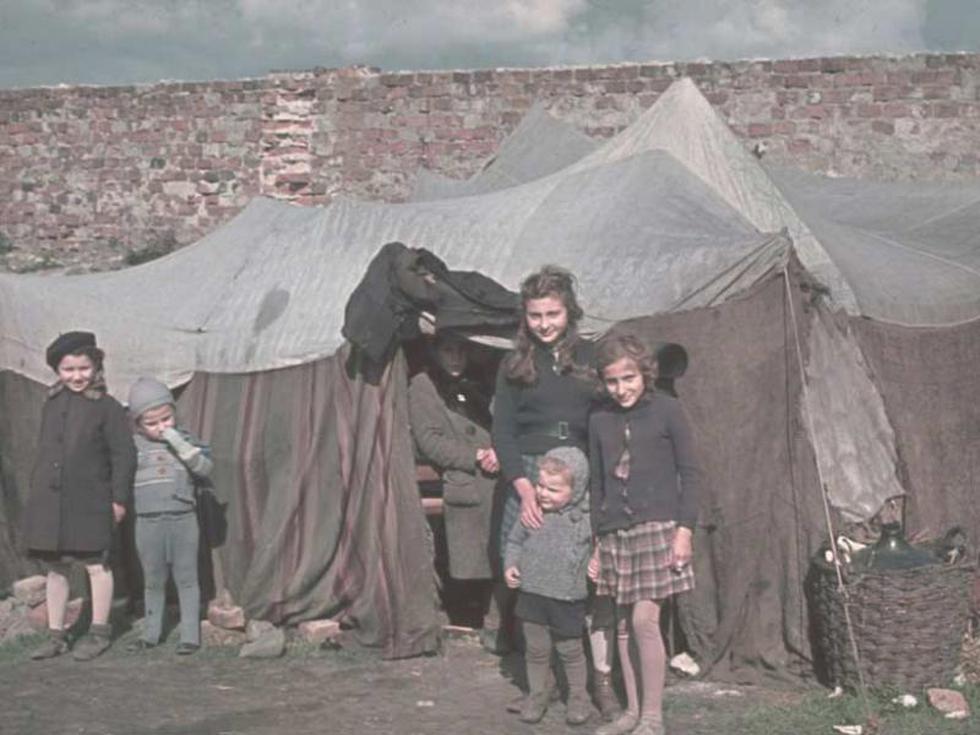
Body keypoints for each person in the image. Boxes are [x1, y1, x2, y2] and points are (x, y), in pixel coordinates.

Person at [491, 265, 618, 720]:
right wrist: (524, 489)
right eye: (535, 315)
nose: (544, 323)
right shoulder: (514, 365)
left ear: (570, 311)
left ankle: (590, 684)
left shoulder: (589, 357)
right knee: (527, 574)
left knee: (583, 573)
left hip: (579, 474)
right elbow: (502, 430)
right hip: (527, 473)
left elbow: (606, 420)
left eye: (553, 313)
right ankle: (537, 687)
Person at [588, 333, 700, 735]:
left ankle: (653, 717)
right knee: (620, 624)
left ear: (645, 373)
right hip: (616, 532)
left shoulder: (668, 410)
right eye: (613, 381)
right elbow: (598, 484)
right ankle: (632, 712)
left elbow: (689, 473)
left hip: (659, 527)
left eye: (629, 378)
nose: (622, 389)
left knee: (644, 621)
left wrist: (684, 530)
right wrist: (598, 539)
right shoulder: (599, 419)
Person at [24, 331, 137, 661]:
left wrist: (118, 500)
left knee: (95, 565)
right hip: (51, 503)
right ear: (57, 371)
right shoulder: (52, 403)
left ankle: (99, 632)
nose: (77, 376)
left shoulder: (108, 407)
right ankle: (56, 635)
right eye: (68, 369)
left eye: (83, 368)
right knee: (56, 568)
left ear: (96, 367)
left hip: (91, 501)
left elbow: (123, 456)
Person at [407, 332, 501, 628]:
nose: (456, 358)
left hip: (494, 471)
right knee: (468, 549)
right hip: (465, 475)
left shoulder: (479, 382)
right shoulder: (424, 387)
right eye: (448, 350)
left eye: (462, 351)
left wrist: (499, 450)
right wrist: (475, 456)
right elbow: (429, 440)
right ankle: (471, 611)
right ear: (435, 352)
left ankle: (497, 613)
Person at [503, 447, 593, 726]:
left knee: (570, 649)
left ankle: (579, 697)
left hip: (566, 596)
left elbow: (600, 546)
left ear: (575, 489)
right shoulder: (531, 511)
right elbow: (515, 541)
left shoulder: (586, 517)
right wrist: (510, 565)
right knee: (537, 649)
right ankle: (538, 694)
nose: (543, 493)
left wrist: (597, 562)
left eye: (553, 489)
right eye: (540, 485)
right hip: (532, 593)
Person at [126, 377, 212, 654]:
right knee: (153, 578)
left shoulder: (186, 441)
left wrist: (182, 446)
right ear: (138, 424)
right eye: (152, 423)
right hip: (148, 522)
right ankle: (151, 633)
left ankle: (190, 635)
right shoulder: (132, 447)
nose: (162, 427)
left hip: (183, 518)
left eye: (166, 419)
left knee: (187, 577)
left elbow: (205, 469)